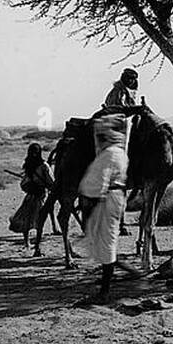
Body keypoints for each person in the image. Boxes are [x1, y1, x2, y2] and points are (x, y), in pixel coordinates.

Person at [75, 114, 130, 302]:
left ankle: (105, 292)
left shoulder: (110, 154)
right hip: (109, 199)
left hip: (106, 200)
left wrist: (90, 201)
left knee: (106, 243)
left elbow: (100, 181)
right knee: (104, 241)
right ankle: (115, 275)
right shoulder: (118, 153)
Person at [9, 143, 56, 241]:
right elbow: (50, 181)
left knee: (26, 217)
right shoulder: (44, 166)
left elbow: (24, 183)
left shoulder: (28, 165)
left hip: (30, 195)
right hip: (41, 194)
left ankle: (27, 242)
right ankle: (37, 243)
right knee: (39, 218)